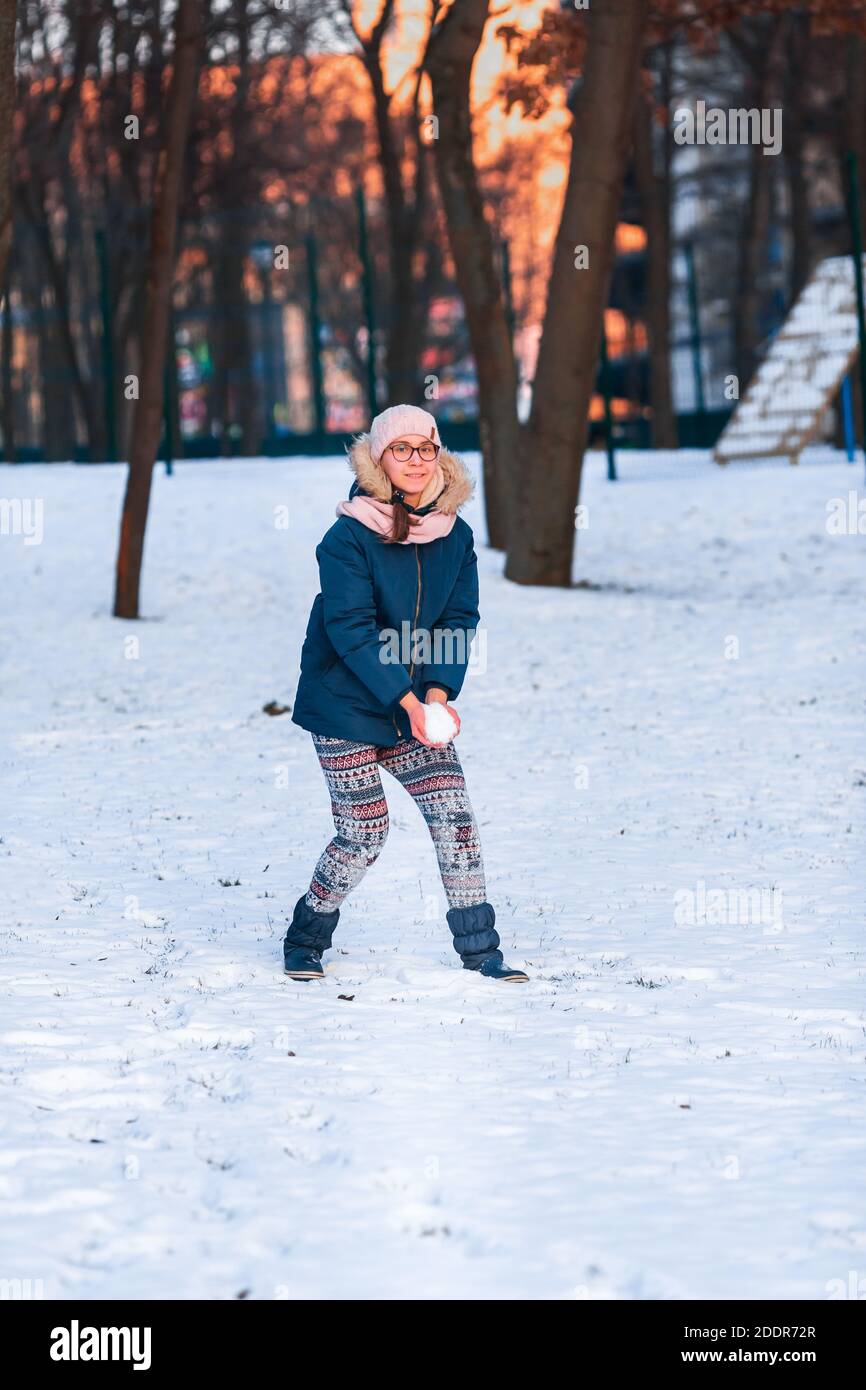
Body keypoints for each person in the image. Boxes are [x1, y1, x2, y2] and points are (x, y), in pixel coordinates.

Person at [285, 404, 528, 983]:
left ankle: (482, 953)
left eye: (426, 448)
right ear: (379, 459)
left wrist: (438, 696)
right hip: (344, 704)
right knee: (364, 832)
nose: (415, 460)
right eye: (401, 449)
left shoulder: (455, 534)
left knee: (454, 816)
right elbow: (351, 629)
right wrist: (411, 702)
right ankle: (306, 936)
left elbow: (458, 618)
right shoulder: (347, 536)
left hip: (416, 707)